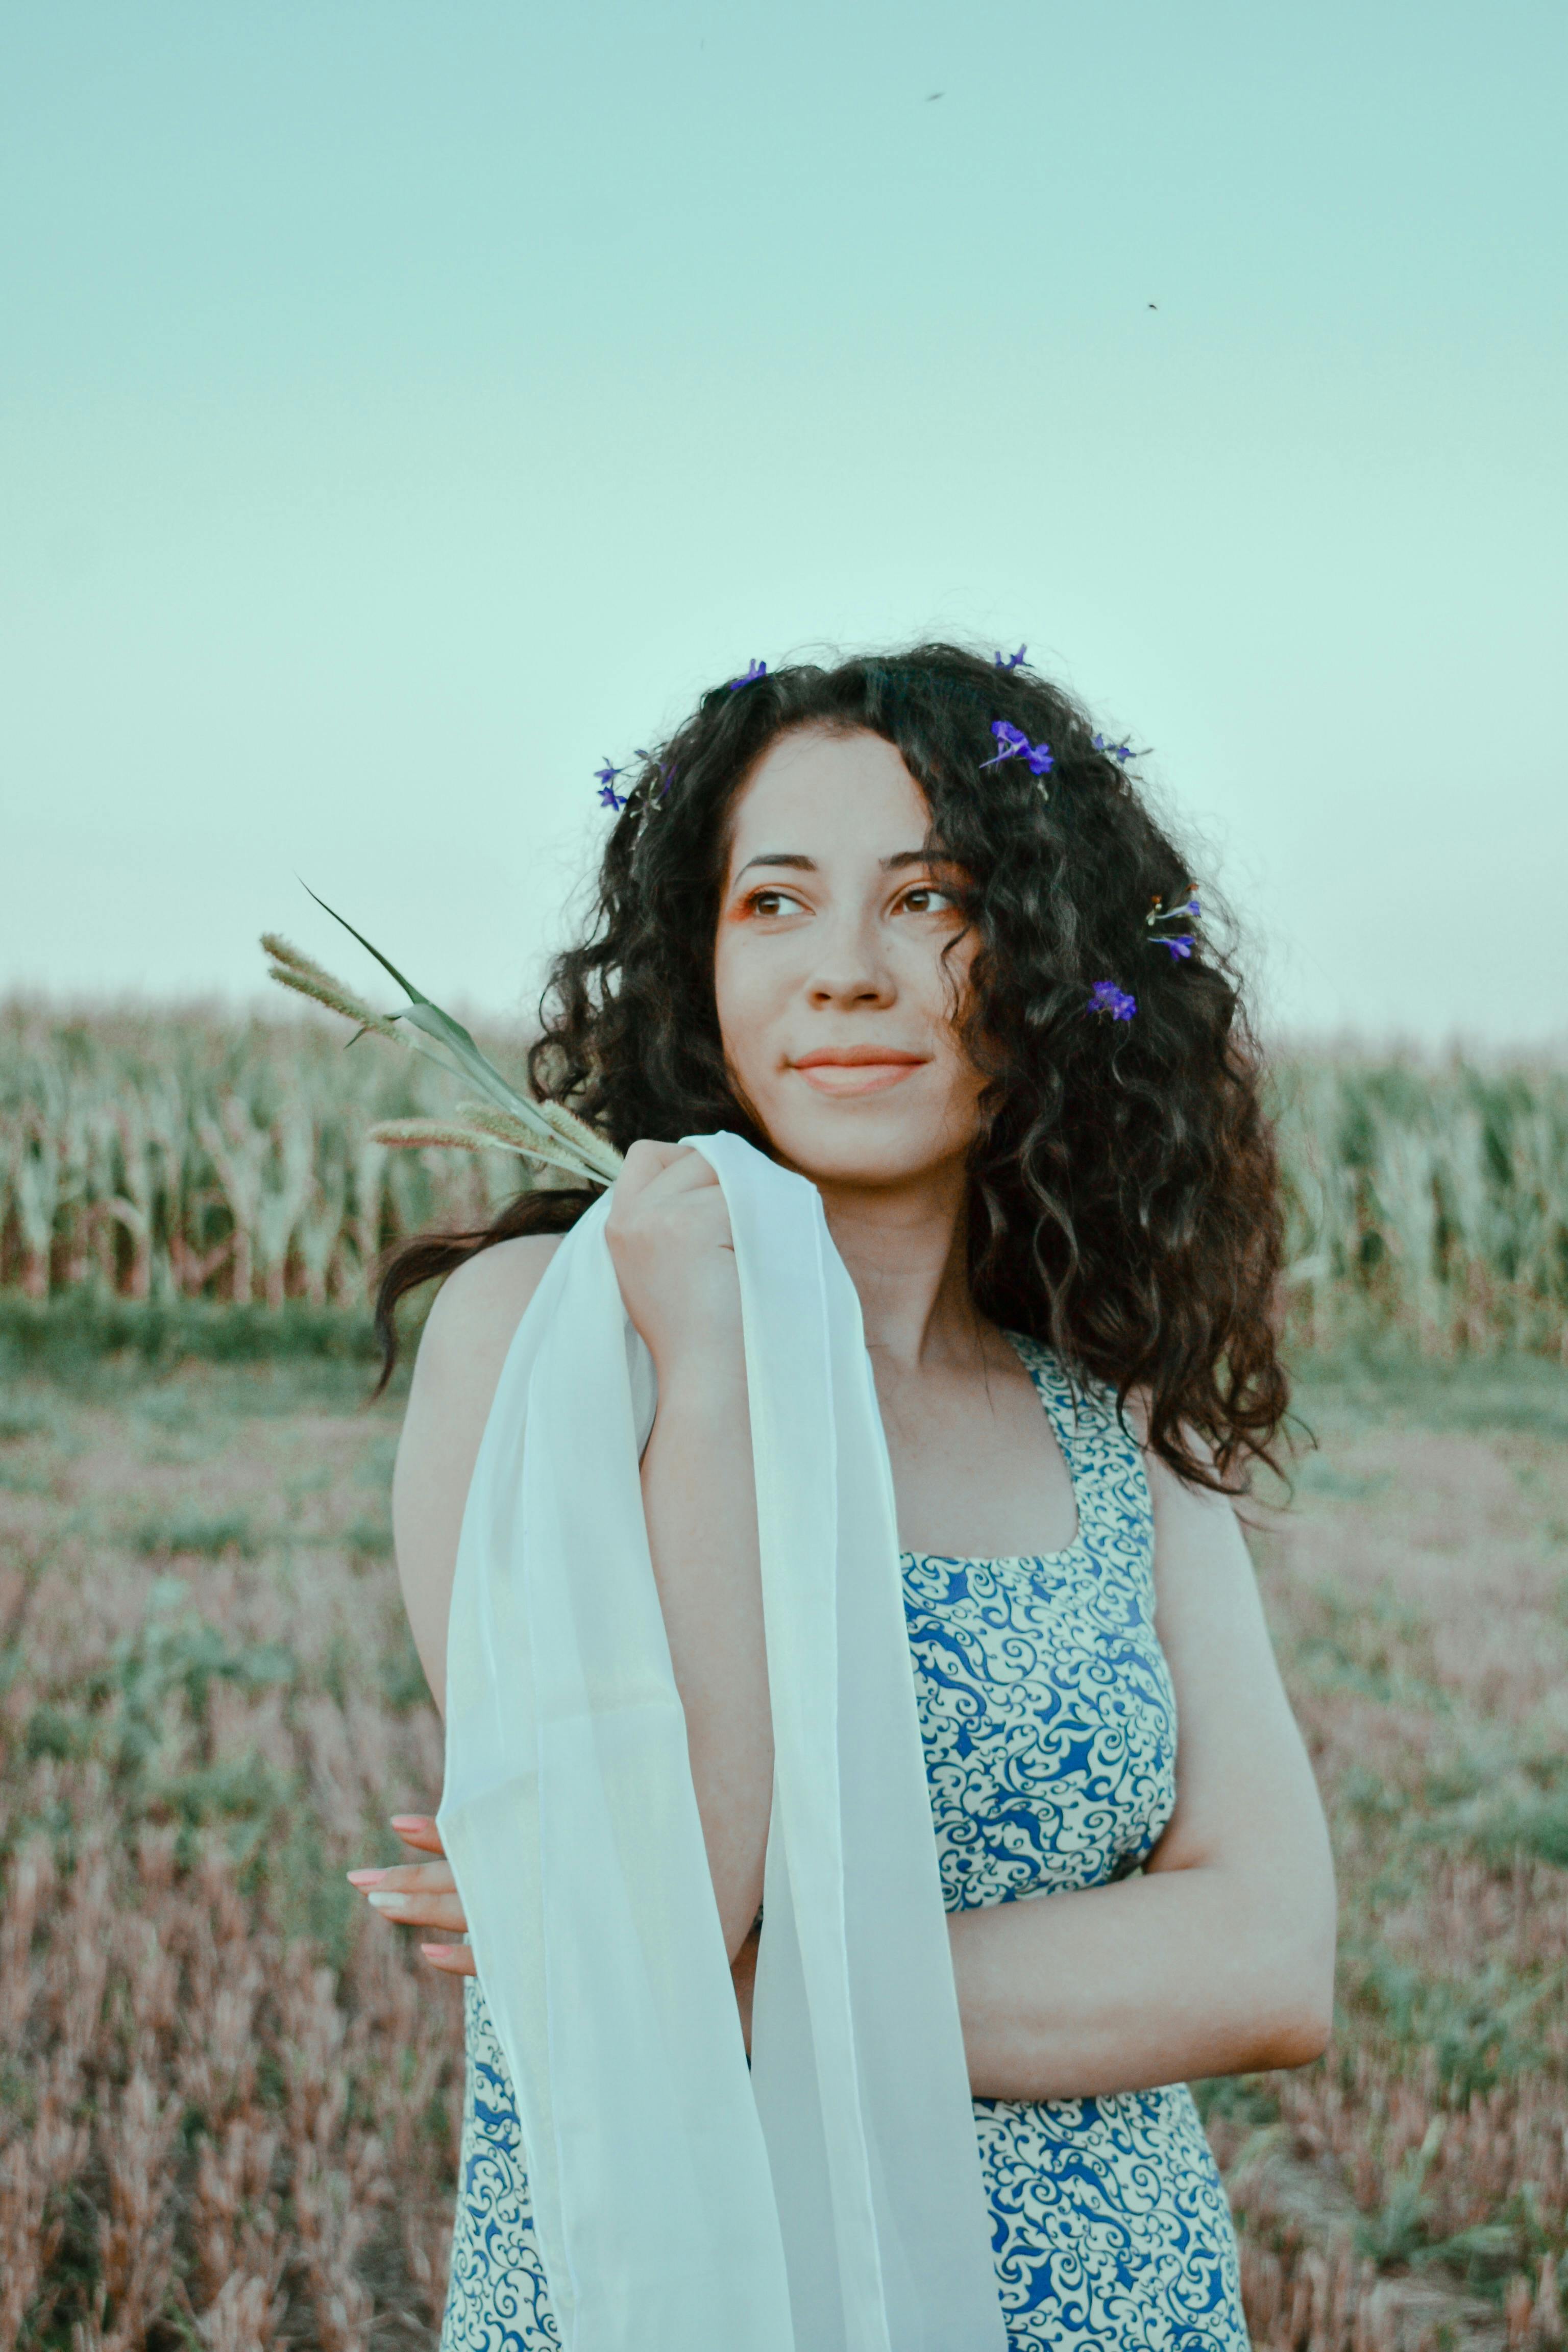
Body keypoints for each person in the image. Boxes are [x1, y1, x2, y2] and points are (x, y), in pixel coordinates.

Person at [346, 644, 1336, 2350]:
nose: (851, 974)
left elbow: (1267, 1961)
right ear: (703, 964)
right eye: (776, 903)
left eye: (931, 899)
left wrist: (727, 1974)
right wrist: (717, 1371)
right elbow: (688, 1893)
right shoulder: (551, 1336)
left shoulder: (1109, 1422)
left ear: (1048, 957)